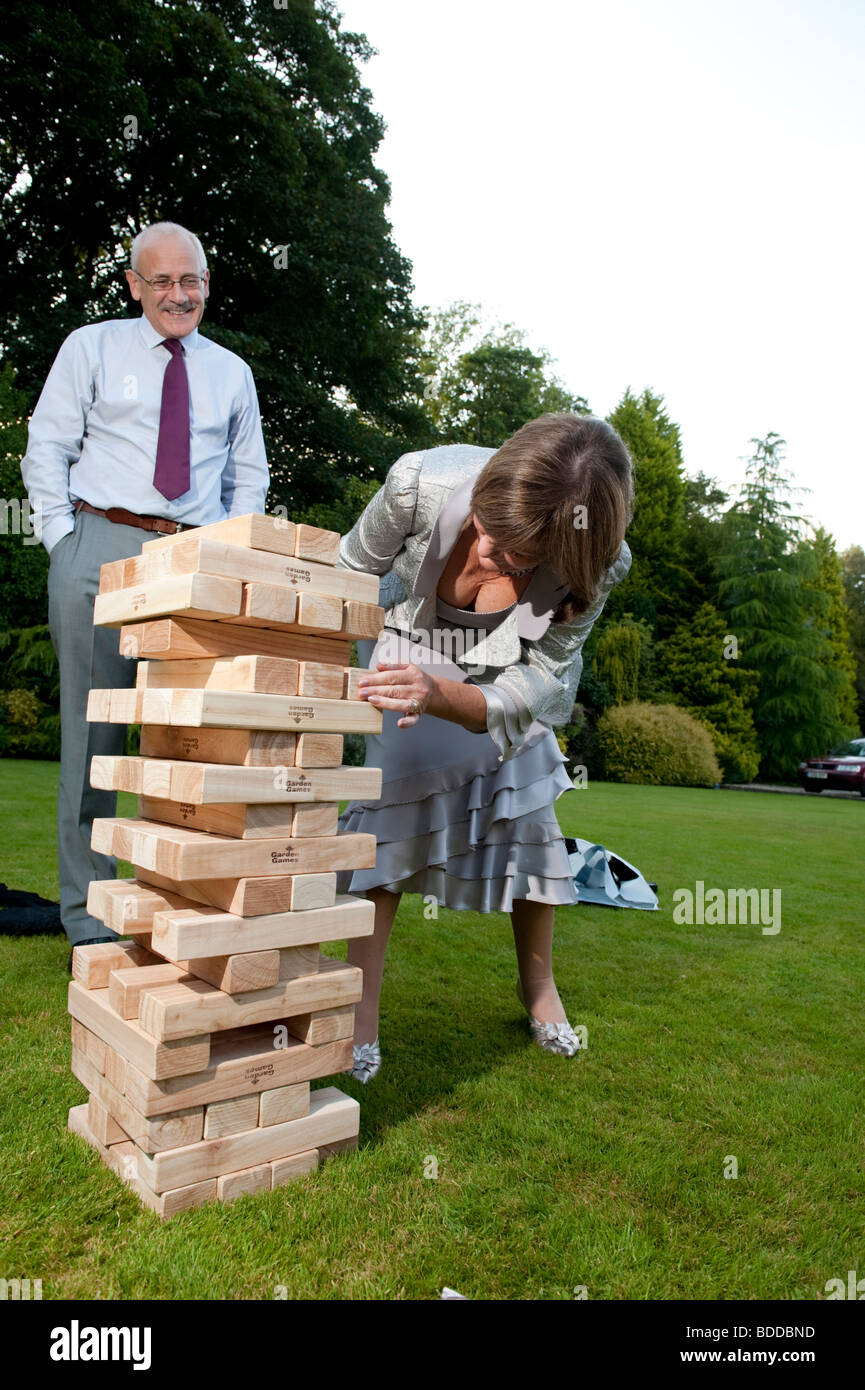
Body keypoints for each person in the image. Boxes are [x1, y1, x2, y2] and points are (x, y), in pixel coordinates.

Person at [335, 413, 634, 1081]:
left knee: (528, 805)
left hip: (505, 675)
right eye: (482, 529)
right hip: (398, 644)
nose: (482, 554)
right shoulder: (417, 481)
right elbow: (343, 578)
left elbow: (542, 677)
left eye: (510, 555)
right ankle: (359, 1012)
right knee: (392, 800)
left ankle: (539, 992)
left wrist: (442, 698)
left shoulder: (600, 560)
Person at [20, 221, 269, 962]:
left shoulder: (231, 372)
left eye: (189, 280)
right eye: (160, 281)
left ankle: (185, 897)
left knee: (195, 739)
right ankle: (87, 914)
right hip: (100, 544)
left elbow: (247, 475)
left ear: (205, 285)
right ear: (134, 284)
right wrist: (62, 540)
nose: (177, 294)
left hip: (195, 558)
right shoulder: (90, 347)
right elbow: (49, 447)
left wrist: (227, 553)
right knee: (93, 740)